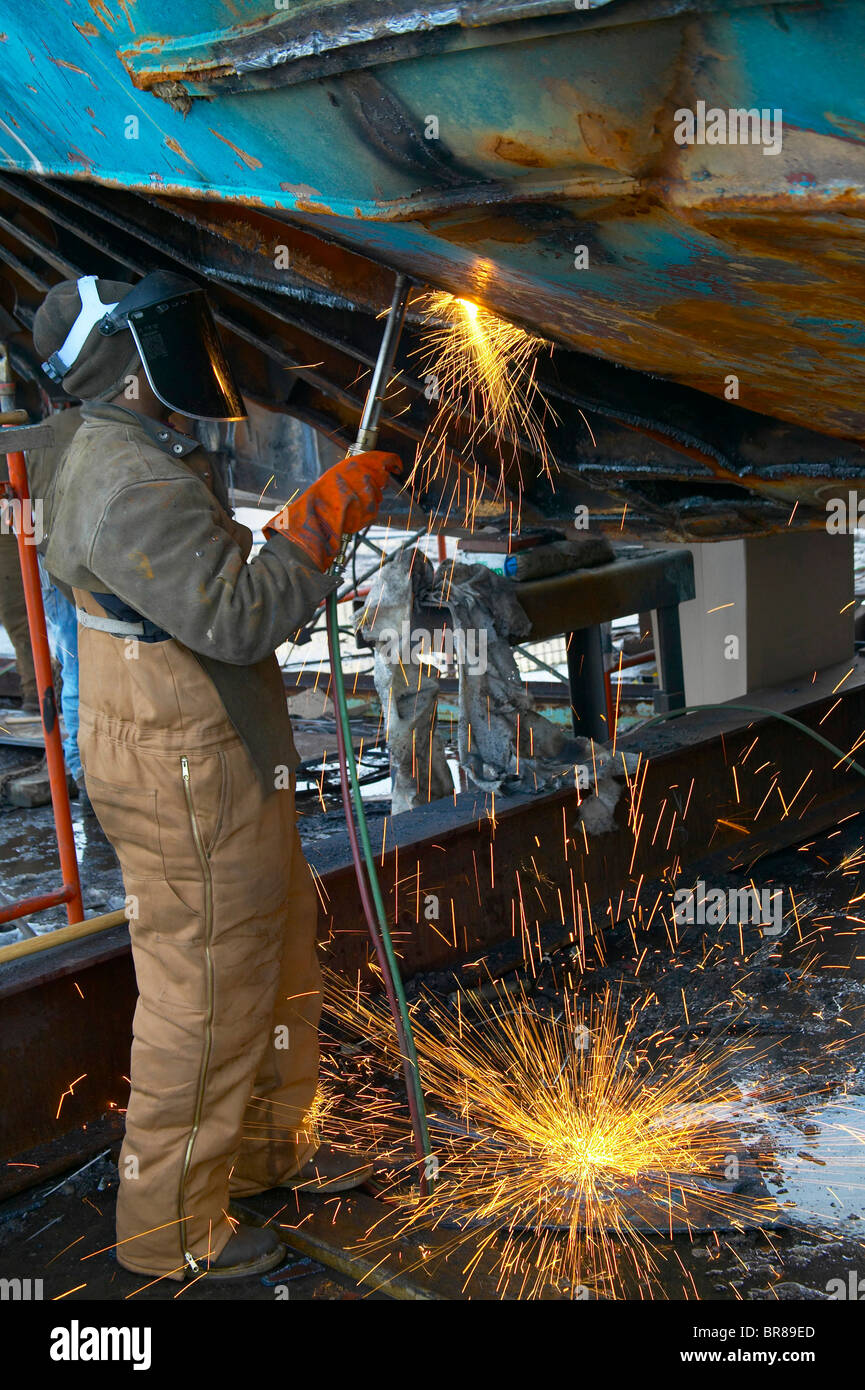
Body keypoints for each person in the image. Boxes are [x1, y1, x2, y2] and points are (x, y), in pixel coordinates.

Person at [33, 270, 400, 1281]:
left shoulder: (134, 445)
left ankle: (263, 1163)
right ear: (128, 364)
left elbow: (209, 582)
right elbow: (238, 614)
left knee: (273, 961)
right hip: (182, 765)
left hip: (213, 746)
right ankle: (168, 1230)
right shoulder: (128, 477)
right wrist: (320, 519)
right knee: (204, 998)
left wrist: (295, 528)